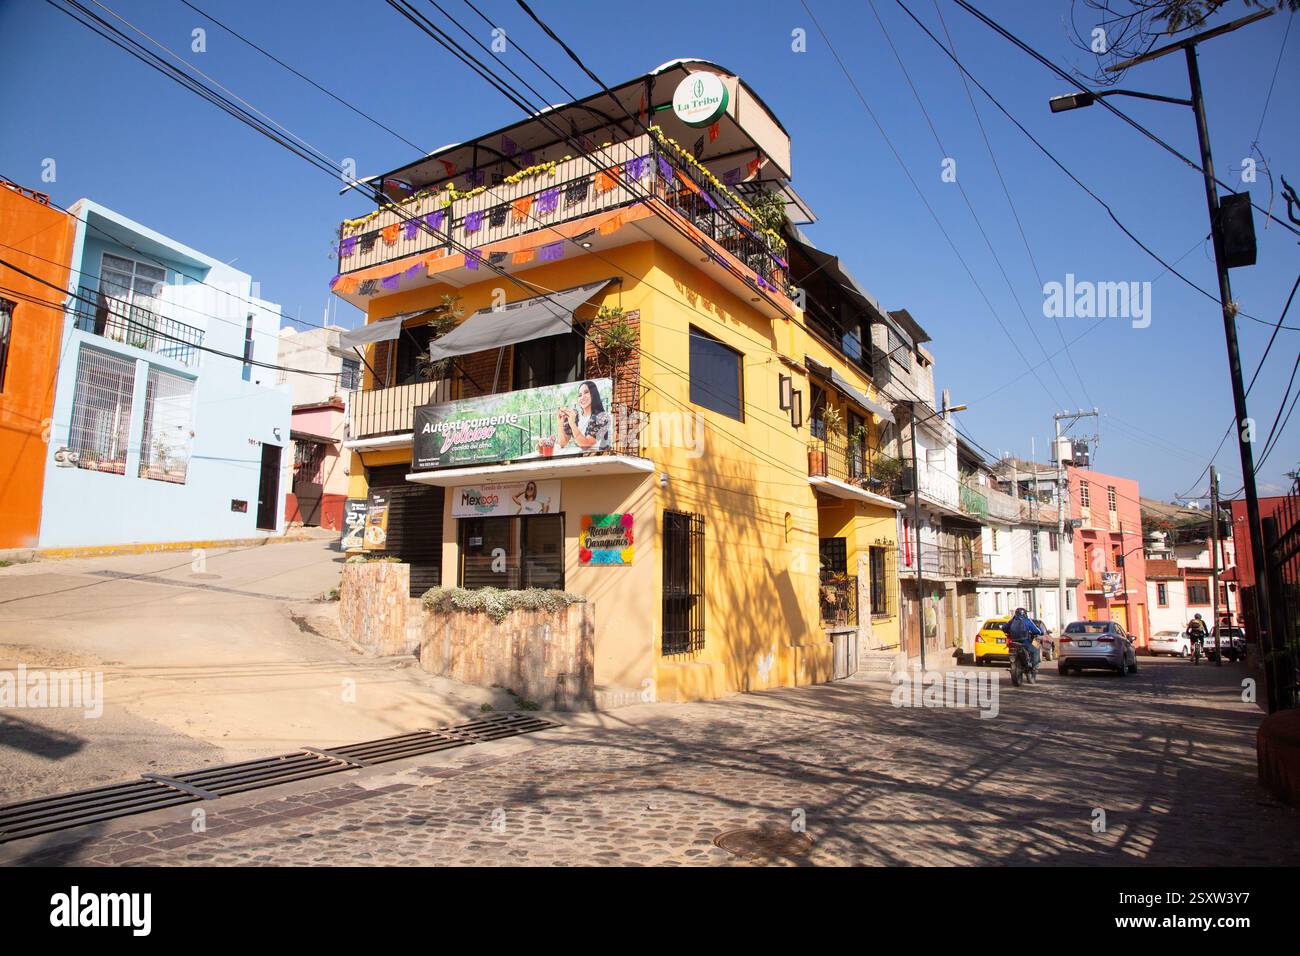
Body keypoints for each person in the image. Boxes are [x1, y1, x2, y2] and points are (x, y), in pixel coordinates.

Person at [556, 381, 611, 452]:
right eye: (580, 395)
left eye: (586, 392)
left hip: (597, 458)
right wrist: (560, 423)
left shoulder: (602, 417)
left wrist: (572, 424)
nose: (582, 397)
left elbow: (585, 445)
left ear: (593, 394)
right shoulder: (575, 415)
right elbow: (562, 443)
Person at [1006, 607, 1043, 673]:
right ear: (1025, 614)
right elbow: (1036, 630)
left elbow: (1004, 628)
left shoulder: (1012, 621)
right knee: (1037, 646)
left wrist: (1009, 632)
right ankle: (1034, 666)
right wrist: (1040, 632)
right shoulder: (1027, 621)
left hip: (1013, 642)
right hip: (1026, 642)